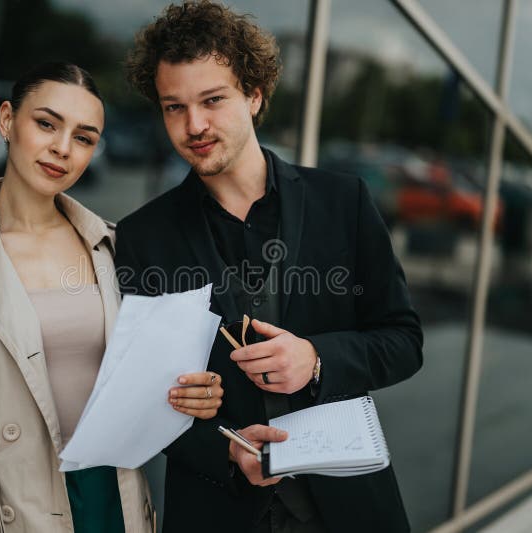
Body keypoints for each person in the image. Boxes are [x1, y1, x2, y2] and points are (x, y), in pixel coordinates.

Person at [116, 2, 423, 532]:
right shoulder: (144, 236)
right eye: (174, 107)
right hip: (218, 511)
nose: (194, 125)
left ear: (254, 95)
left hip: (350, 510)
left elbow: (404, 341)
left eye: (212, 100)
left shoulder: (343, 201)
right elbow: (145, 401)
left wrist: (316, 358)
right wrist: (224, 451)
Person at [0, 61, 224, 533]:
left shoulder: (115, 248)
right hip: (8, 507)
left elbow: (148, 383)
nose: (61, 148)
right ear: (8, 120)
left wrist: (196, 394)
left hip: (112, 497)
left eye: (84, 137)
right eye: (46, 123)